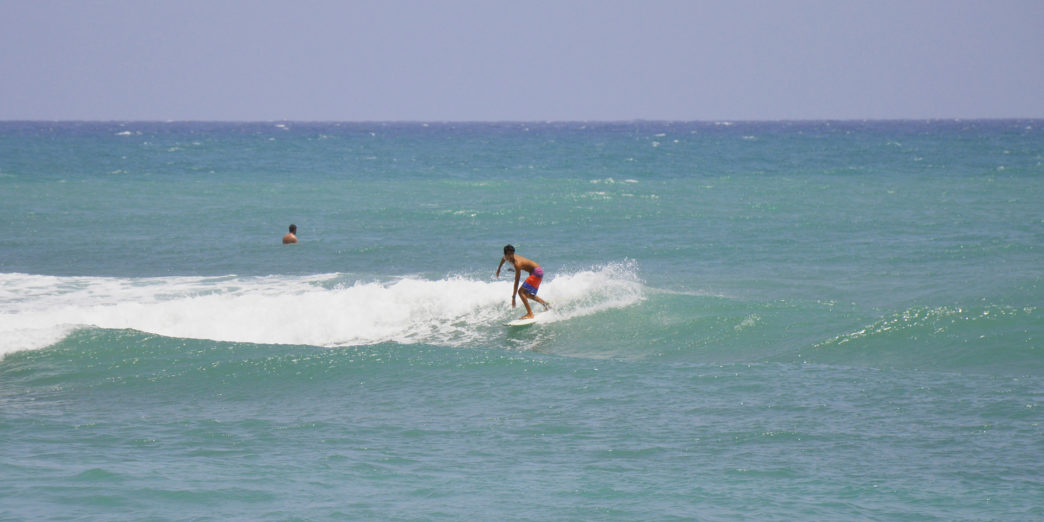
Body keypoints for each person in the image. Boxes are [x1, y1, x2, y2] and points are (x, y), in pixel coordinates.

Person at [495, 244, 550, 320]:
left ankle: (530, 314)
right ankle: (546, 304)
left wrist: (513, 297)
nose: (511, 256)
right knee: (526, 294)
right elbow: (503, 259)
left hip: (536, 272)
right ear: (505, 254)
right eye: (508, 254)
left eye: (512, 254)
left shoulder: (517, 264)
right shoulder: (506, 257)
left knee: (521, 292)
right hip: (538, 271)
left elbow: (516, 281)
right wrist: (499, 269)